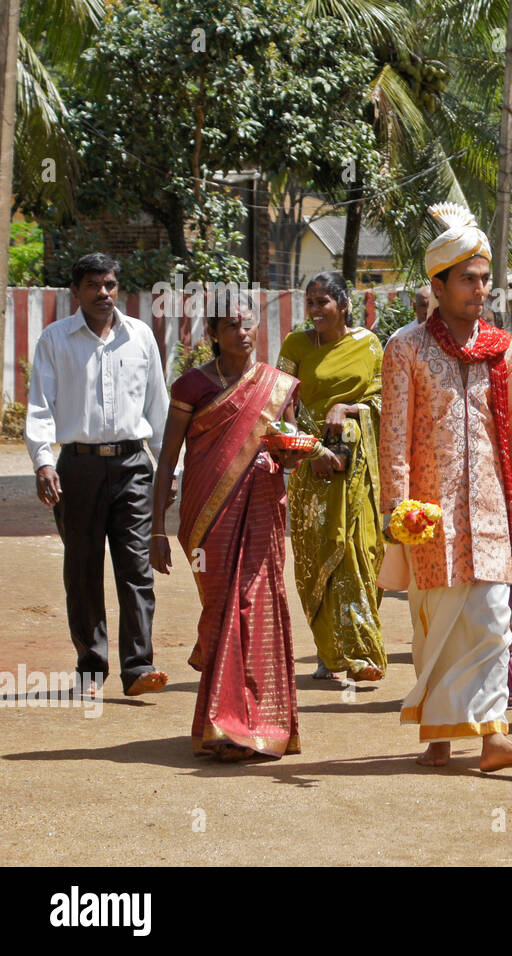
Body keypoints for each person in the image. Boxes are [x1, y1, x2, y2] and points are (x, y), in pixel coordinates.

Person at [382, 202, 512, 772]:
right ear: (439, 284)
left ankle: (494, 735)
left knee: (491, 620)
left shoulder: (503, 349)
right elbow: (394, 435)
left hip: (493, 511)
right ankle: (438, 735)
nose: (480, 289)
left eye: (484, 279)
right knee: (436, 622)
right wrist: (396, 509)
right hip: (432, 514)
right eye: (468, 279)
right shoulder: (406, 347)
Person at [150, 292, 309, 760]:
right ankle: (226, 720)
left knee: (255, 607)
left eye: (249, 323)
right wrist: (157, 528)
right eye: (232, 325)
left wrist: (292, 456)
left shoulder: (278, 385)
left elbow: (289, 446)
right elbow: (168, 459)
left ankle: (238, 726)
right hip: (208, 518)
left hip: (262, 509)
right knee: (222, 609)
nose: (244, 332)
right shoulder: (191, 387)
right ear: (214, 335)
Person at [25, 252, 171, 698]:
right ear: (76, 292)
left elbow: (157, 409)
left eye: (109, 284)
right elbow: (40, 405)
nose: (103, 293)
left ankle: (138, 666)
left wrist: (169, 471)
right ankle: (91, 666)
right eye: (93, 285)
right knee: (83, 567)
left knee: (136, 567)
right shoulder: (55, 340)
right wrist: (44, 462)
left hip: (133, 466)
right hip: (78, 467)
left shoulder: (141, 337)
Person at [277, 272, 386, 683]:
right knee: (319, 550)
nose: (314, 309)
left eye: (323, 301)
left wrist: (344, 409)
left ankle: (360, 652)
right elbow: (282, 398)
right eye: (310, 302)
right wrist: (309, 447)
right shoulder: (296, 344)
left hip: (358, 468)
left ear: (343, 305)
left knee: (361, 549)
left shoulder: (368, 344)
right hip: (311, 465)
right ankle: (329, 652)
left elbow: (379, 399)